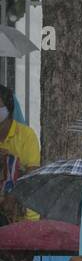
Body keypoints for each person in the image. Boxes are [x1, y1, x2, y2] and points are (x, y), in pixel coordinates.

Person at [0, 84, 39, 223]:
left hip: (24, 217)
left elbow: (32, 173)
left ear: (9, 109)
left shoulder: (26, 135)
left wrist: (12, 197)